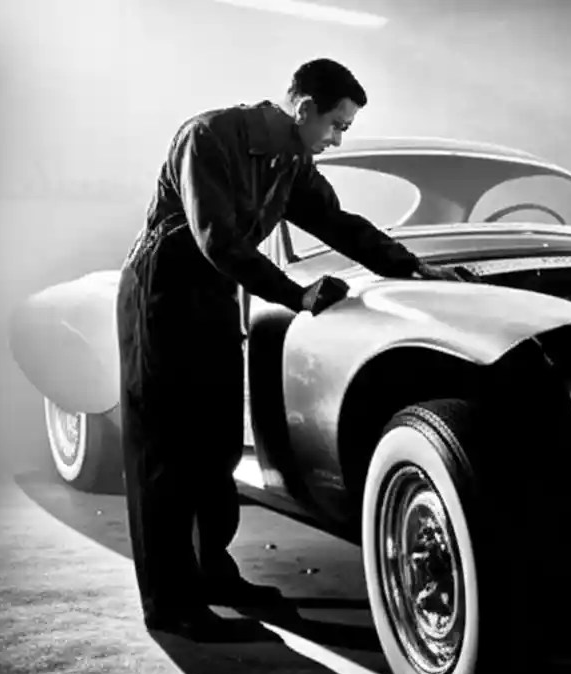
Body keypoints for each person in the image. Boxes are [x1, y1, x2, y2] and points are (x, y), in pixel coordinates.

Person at [117, 58, 467, 641]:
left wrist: (413, 269)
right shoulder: (208, 136)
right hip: (161, 296)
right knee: (168, 454)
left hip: (215, 295)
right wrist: (296, 294)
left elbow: (339, 223)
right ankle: (171, 605)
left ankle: (212, 575)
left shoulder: (292, 164)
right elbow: (216, 239)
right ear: (304, 109)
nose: (336, 139)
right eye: (337, 126)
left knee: (215, 445)